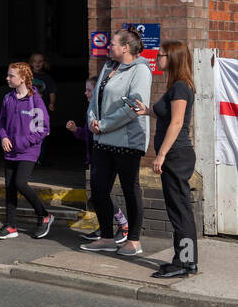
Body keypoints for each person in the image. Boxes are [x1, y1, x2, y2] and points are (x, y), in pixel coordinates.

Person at [81, 29, 153, 256]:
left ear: (125, 48)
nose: (108, 47)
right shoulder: (108, 67)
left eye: (112, 44)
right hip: (102, 138)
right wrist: (93, 120)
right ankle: (106, 237)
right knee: (99, 189)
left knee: (130, 189)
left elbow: (134, 106)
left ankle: (133, 240)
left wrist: (104, 124)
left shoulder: (140, 70)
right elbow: (95, 100)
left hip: (128, 141)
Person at [132, 40, 198, 278]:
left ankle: (183, 263)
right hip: (177, 155)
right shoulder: (178, 86)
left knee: (179, 210)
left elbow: (178, 122)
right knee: (180, 209)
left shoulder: (180, 87)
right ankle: (186, 260)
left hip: (176, 155)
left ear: (172, 58)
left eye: (161, 55)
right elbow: (168, 114)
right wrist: (147, 111)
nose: (157, 58)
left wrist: (160, 155)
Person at [0, 61, 53, 239]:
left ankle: (44, 215)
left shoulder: (35, 100)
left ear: (23, 78)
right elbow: (2, 123)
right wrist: (3, 136)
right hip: (10, 150)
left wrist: (22, 142)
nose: (7, 78)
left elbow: (43, 129)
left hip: (28, 150)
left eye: (11, 75)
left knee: (20, 183)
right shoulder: (8, 99)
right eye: (8, 75)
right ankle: (11, 226)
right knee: (10, 187)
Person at [66, 79, 129, 242]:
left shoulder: (104, 110)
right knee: (98, 196)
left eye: (89, 90)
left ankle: (124, 226)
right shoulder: (91, 109)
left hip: (108, 158)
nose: (85, 93)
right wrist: (76, 130)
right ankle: (104, 227)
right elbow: (87, 135)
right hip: (95, 158)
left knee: (101, 195)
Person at [29, 52, 57, 165]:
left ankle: (40, 157)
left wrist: (52, 103)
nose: (38, 63)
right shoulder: (28, 76)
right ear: (31, 63)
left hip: (42, 110)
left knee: (42, 132)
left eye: (40, 61)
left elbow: (52, 92)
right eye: (35, 61)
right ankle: (29, 155)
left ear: (44, 63)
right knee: (29, 131)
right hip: (29, 109)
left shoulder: (47, 78)